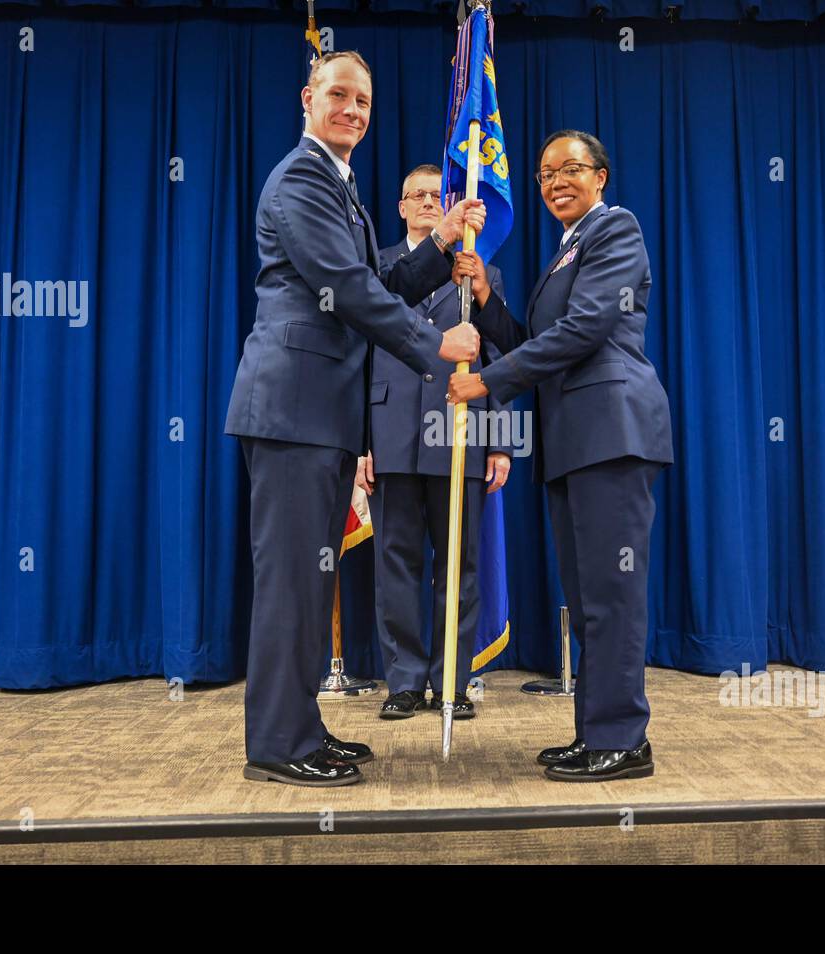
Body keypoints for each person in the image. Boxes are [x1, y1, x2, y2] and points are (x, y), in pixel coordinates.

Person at [225, 51, 486, 787]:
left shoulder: (342, 188)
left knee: (311, 581)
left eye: (364, 100)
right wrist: (437, 343)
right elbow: (346, 287)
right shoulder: (302, 179)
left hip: (321, 415)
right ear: (308, 98)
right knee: (289, 582)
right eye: (339, 94)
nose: (353, 110)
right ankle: (276, 744)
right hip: (292, 409)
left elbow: (380, 281)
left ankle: (300, 726)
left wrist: (439, 243)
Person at [449, 130, 673, 782]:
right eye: (545, 174)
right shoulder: (565, 252)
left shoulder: (616, 229)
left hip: (612, 433)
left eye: (570, 169)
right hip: (573, 443)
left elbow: (584, 331)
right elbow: (536, 339)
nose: (555, 183)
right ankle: (596, 732)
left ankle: (624, 740)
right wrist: (488, 303)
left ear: (601, 176)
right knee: (588, 595)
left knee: (613, 595)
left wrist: (487, 381)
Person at [355, 164, 511, 722]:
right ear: (400, 207)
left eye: (434, 194)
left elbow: (498, 358)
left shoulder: (478, 271)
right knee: (395, 563)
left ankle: (452, 681)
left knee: (459, 565)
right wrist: (359, 444)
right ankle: (402, 681)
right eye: (414, 195)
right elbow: (360, 358)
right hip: (390, 434)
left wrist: (498, 442)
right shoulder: (376, 270)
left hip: (460, 434)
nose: (425, 202)